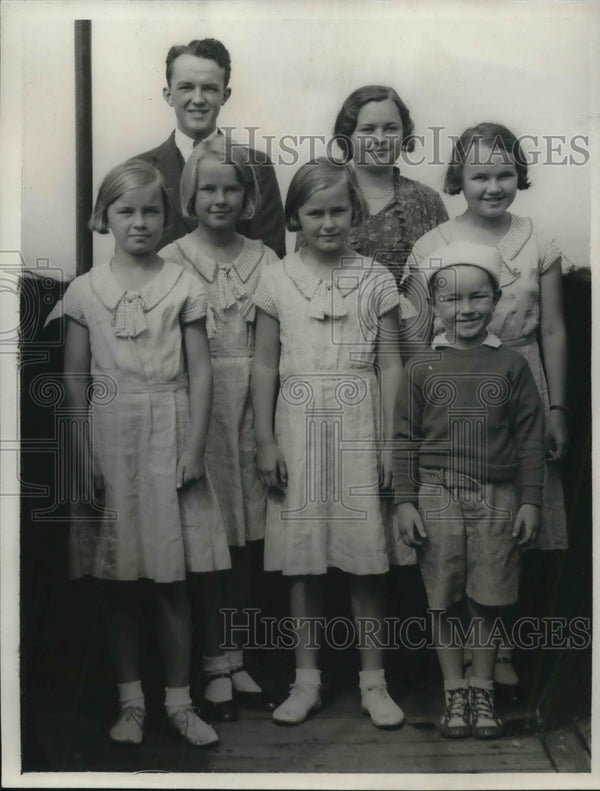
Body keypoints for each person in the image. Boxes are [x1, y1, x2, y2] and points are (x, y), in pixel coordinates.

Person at [63, 159, 231, 747]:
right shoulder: (85, 290)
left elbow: (203, 374)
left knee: (170, 579)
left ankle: (181, 703)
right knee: (119, 579)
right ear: (102, 218)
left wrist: (192, 450)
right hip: (112, 440)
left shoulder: (184, 284)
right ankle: (130, 702)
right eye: (126, 211)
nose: (140, 222)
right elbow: (75, 381)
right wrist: (83, 455)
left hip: (170, 433)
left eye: (151, 211)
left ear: (167, 215)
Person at [405, 123, 569, 691]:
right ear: (460, 178)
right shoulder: (434, 245)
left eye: (504, 174)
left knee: (509, 526)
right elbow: (421, 331)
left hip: (521, 380)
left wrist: (558, 408)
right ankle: (465, 672)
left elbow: (552, 328)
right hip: (455, 390)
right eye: (480, 175)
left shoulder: (538, 239)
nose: (493, 186)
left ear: (518, 175)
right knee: (457, 534)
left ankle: (494, 652)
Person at [252, 158, 405, 728]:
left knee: (366, 561)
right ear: (294, 217)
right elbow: (265, 365)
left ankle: (374, 682)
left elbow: (392, 364)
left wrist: (393, 443)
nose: (328, 222)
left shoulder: (375, 278)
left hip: (361, 427)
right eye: (314, 212)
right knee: (303, 563)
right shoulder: (276, 277)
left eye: (339, 210)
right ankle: (307, 680)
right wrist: (265, 439)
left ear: (355, 212)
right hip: (297, 425)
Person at [393, 241, 545, 739]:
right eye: (453, 299)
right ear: (434, 307)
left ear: (497, 298)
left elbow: (529, 440)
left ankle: (482, 691)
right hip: (436, 494)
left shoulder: (511, 367)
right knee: (443, 598)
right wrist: (406, 502)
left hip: (497, 496)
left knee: (487, 597)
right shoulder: (422, 367)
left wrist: (529, 501)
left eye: (478, 297)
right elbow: (404, 439)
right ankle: (453, 690)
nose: (467, 309)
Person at [161, 136, 279, 720]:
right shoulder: (175, 259)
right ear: (190, 194)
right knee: (209, 540)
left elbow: (275, 345)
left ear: (249, 197)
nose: (221, 197)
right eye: (208, 187)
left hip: (256, 404)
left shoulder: (265, 259)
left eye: (232, 188)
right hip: (200, 406)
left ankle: (238, 657)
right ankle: (212, 661)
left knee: (248, 539)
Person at [135, 38, 286, 255]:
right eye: (186, 87)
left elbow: (271, 261)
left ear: (225, 95)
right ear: (169, 95)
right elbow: (132, 261)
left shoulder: (257, 167)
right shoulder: (140, 171)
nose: (197, 99)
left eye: (209, 89)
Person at [329, 85, 448, 292]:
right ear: (347, 136)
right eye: (367, 129)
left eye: (391, 128)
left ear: (404, 134)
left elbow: (447, 278)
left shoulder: (427, 201)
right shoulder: (326, 198)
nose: (380, 139)